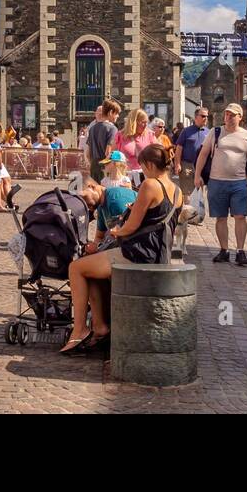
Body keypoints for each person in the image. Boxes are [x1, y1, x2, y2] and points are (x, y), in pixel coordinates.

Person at [60, 145, 182, 354]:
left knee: (76, 268)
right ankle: (100, 327)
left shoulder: (150, 185)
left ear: (150, 165)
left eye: (143, 167)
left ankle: (79, 328)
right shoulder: (178, 191)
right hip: (159, 252)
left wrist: (116, 231)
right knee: (92, 270)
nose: (142, 172)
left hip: (138, 253)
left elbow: (131, 227)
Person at [194, 103, 247, 266]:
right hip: (216, 181)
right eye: (226, 114)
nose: (228, 117)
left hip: (238, 182)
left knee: (240, 216)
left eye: (232, 114)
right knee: (221, 217)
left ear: (240, 117)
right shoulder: (215, 132)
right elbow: (203, 155)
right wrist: (197, 175)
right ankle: (224, 250)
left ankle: (240, 251)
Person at [92, 151, 137, 243]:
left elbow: (130, 197)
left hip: (122, 213)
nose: (104, 166)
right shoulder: (104, 181)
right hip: (108, 213)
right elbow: (102, 198)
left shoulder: (125, 180)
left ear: (114, 164)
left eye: (107, 163)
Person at [173, 106, 212, 193]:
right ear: (196, 117)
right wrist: (177, 164)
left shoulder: (209, 132)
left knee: (203, 192)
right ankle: (188, 206)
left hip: (203, 167)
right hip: (187, 166)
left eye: (207, 116)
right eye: (203, 116)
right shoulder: (186, 131)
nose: (205, 118)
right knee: (187, 192)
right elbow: (179, 148)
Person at [115, 109, 155, 186]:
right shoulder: (120, 135)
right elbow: (112, 155)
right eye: (143, 122)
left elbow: (158, 153)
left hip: (145, 176)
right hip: (125, 176)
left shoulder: (149, 135)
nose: (145, 125)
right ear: (134, 122)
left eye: (147, 122)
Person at [86, 99, 120, 183]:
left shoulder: (92, 128)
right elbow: (108, 153)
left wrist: (93, 164)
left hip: (94, 166)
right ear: (111, 112)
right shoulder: (112, 129)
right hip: (106, 166)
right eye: (117, 113)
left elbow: (87, 153)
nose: (118, 116)